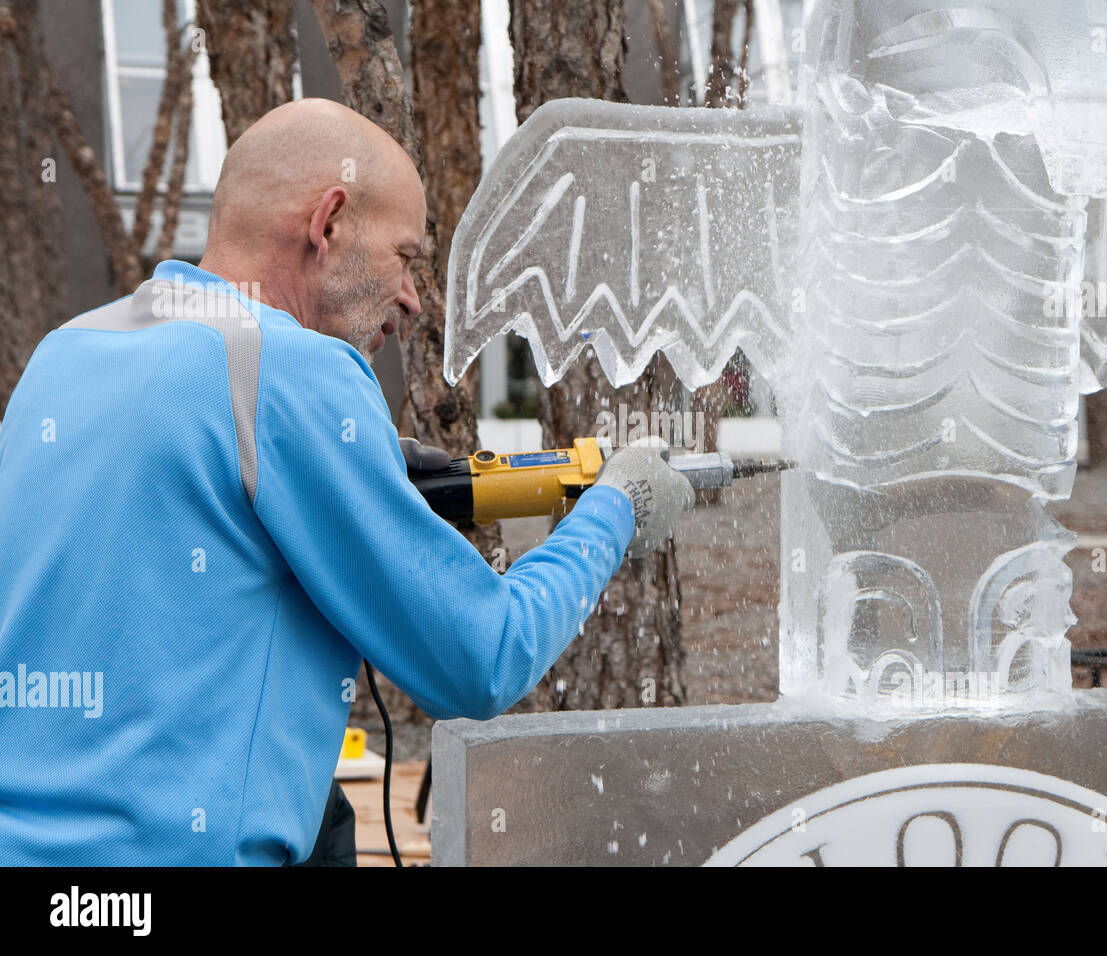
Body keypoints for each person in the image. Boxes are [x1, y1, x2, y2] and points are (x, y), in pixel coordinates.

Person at [0, 98, 694, 865]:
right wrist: (615, 510)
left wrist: (368, 472)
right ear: (328, 224)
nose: (414, 298)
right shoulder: (292, 368)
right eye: (406, 257)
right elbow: (482, 656)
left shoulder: (67, 352)